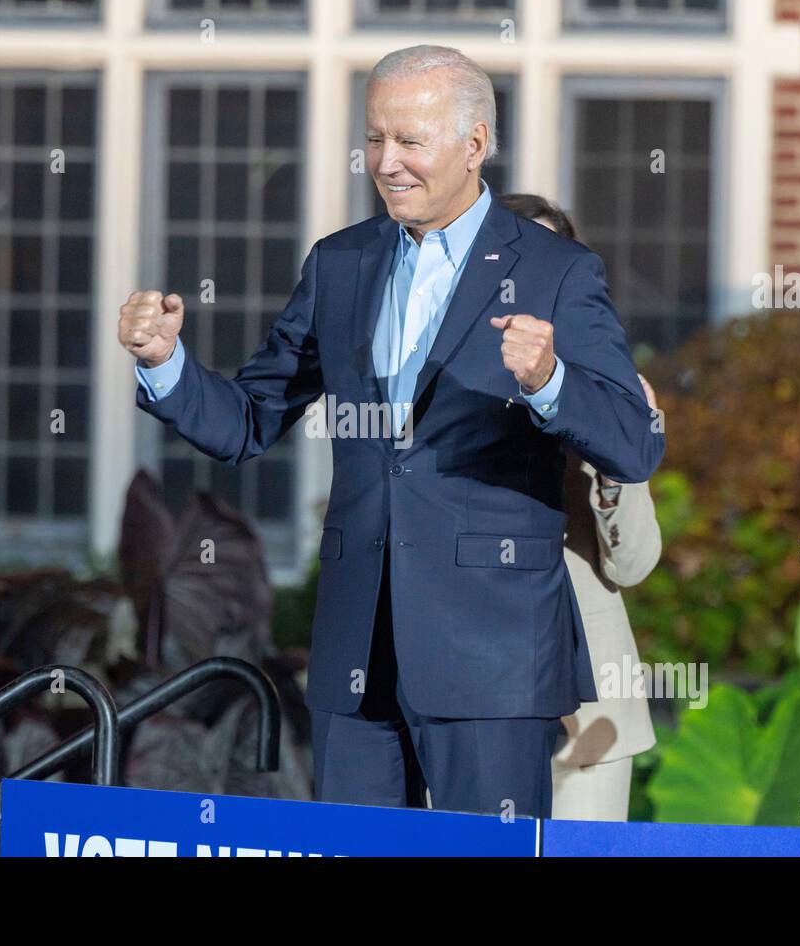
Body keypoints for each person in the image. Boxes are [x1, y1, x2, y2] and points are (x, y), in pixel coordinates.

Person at [119, 45, 664, 819]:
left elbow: (634, 443)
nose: (387, 162)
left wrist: (550, 382)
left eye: (411, 141)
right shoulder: (340, 263)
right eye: (375, 139)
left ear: (475, 145)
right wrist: (167, 363)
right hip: (355, 652)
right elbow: (248, 420)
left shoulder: (558, 272)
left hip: (493, 658)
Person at [498, 193, 662, 822]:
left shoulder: (603, 394)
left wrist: (618, 461)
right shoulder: (444, 383)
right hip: (462, 693)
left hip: (591, 712)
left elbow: (634, 564)